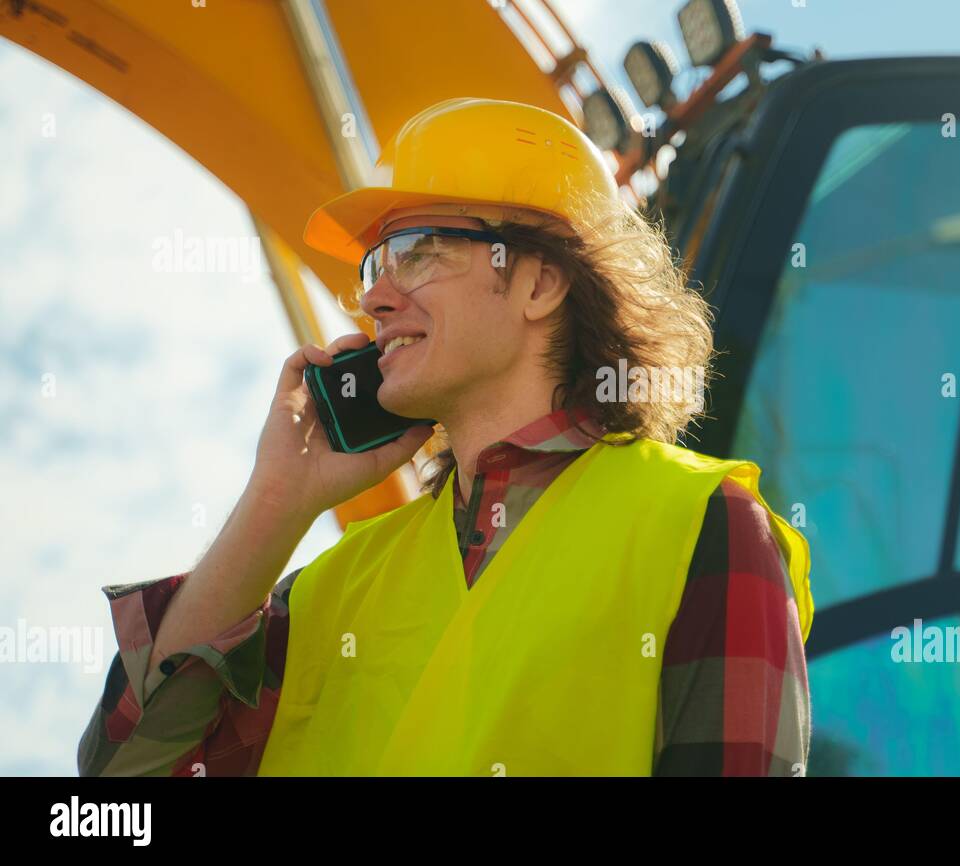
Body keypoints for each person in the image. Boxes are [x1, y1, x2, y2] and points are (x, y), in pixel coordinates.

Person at [77, 97, 813, 776]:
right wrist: (277, 499)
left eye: (419, 250)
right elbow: (120, 778)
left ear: (539, 285)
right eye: (377, 264)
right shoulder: (333, 586)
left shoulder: (700, 524)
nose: (373, 297)